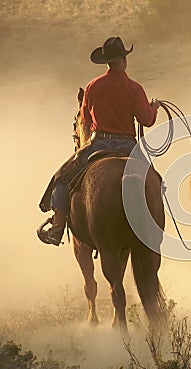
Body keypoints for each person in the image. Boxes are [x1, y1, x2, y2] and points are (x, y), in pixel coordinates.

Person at [37, 36, 160, 246]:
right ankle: (158, 224)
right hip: (128, 146)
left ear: (106, 61)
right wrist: (154, 108)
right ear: (124, 60)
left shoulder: (93, 86)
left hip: (99, 144)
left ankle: (57, 228)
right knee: (156, 183)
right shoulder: (134, 88)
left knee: (62, 179)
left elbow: (84, 118)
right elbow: (146, 120)